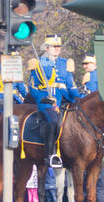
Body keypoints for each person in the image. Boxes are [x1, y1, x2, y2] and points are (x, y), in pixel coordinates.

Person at [28, 36, 84, 169]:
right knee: (53, 119)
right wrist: (41, 98)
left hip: (63, 98)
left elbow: (71, 84)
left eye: (58, 46)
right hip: (45, 100)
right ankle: (50, 155)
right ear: (47, 48)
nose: (57, 49)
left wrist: (77, 98)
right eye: (54, 47)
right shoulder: (38, 62)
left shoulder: (65, 63)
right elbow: (32, 86)